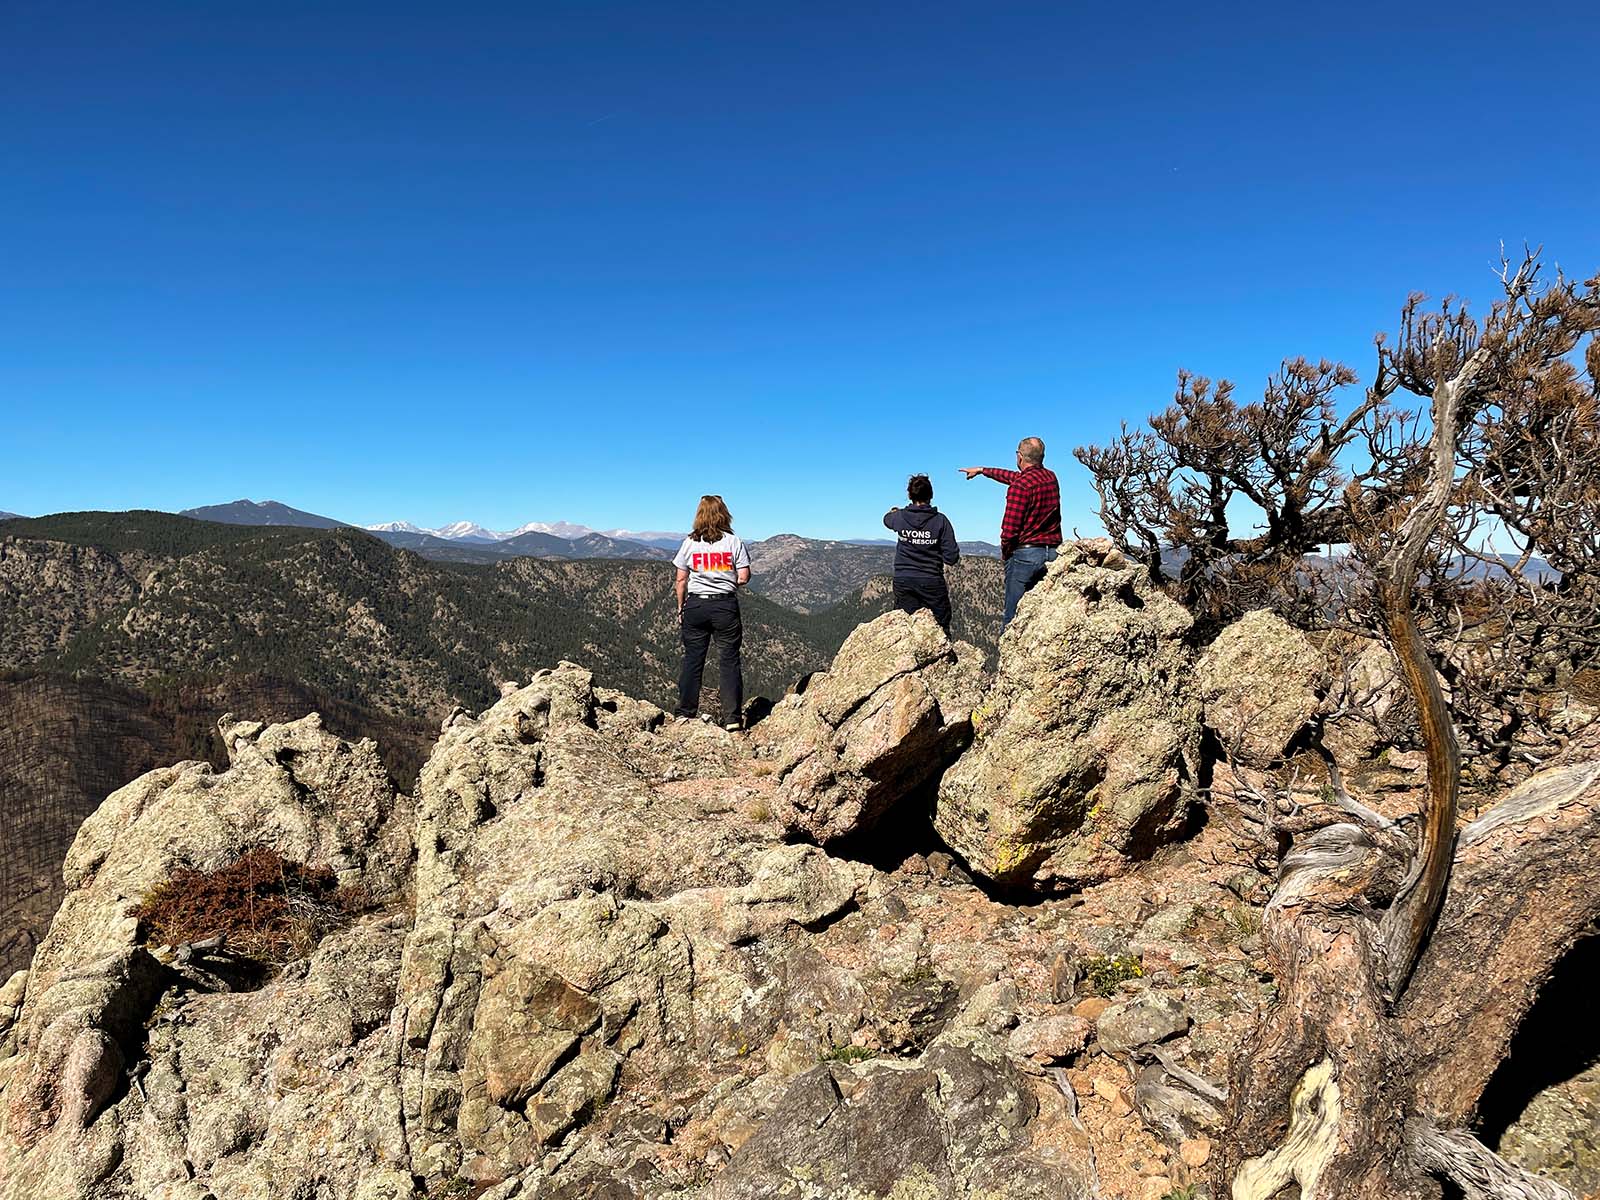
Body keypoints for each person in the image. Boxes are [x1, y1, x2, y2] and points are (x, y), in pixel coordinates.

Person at [960, 436, 1062, 628]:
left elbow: (1009, 530)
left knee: (1013, 618)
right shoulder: (1051, 478)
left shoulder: (1020, 486)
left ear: (1019, 456)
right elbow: (1014, 477)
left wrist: (1006, 555)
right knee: (1044, 617)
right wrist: (983, 470)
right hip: (1053, 554)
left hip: (1026, 557)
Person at [671, 495, 751, 729]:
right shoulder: (733, 542)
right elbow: (744, 576)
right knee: (729, 661)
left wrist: (681, 607)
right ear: (724, 514)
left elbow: (680, 580)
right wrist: (725, 581)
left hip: (696, 605)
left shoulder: (690, 542)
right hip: (724, 606)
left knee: (693, 660)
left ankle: (685, 712)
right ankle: (732, 719)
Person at [883, 473, 959, 633]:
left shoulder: (899, 517)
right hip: (931, 580)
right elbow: (951, 557)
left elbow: (886, 520)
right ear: (931, 495)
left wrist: (894, 512)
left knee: (905, 627)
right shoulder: (940, 521)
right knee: (940, 626)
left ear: (910, 495)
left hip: (904, 580)